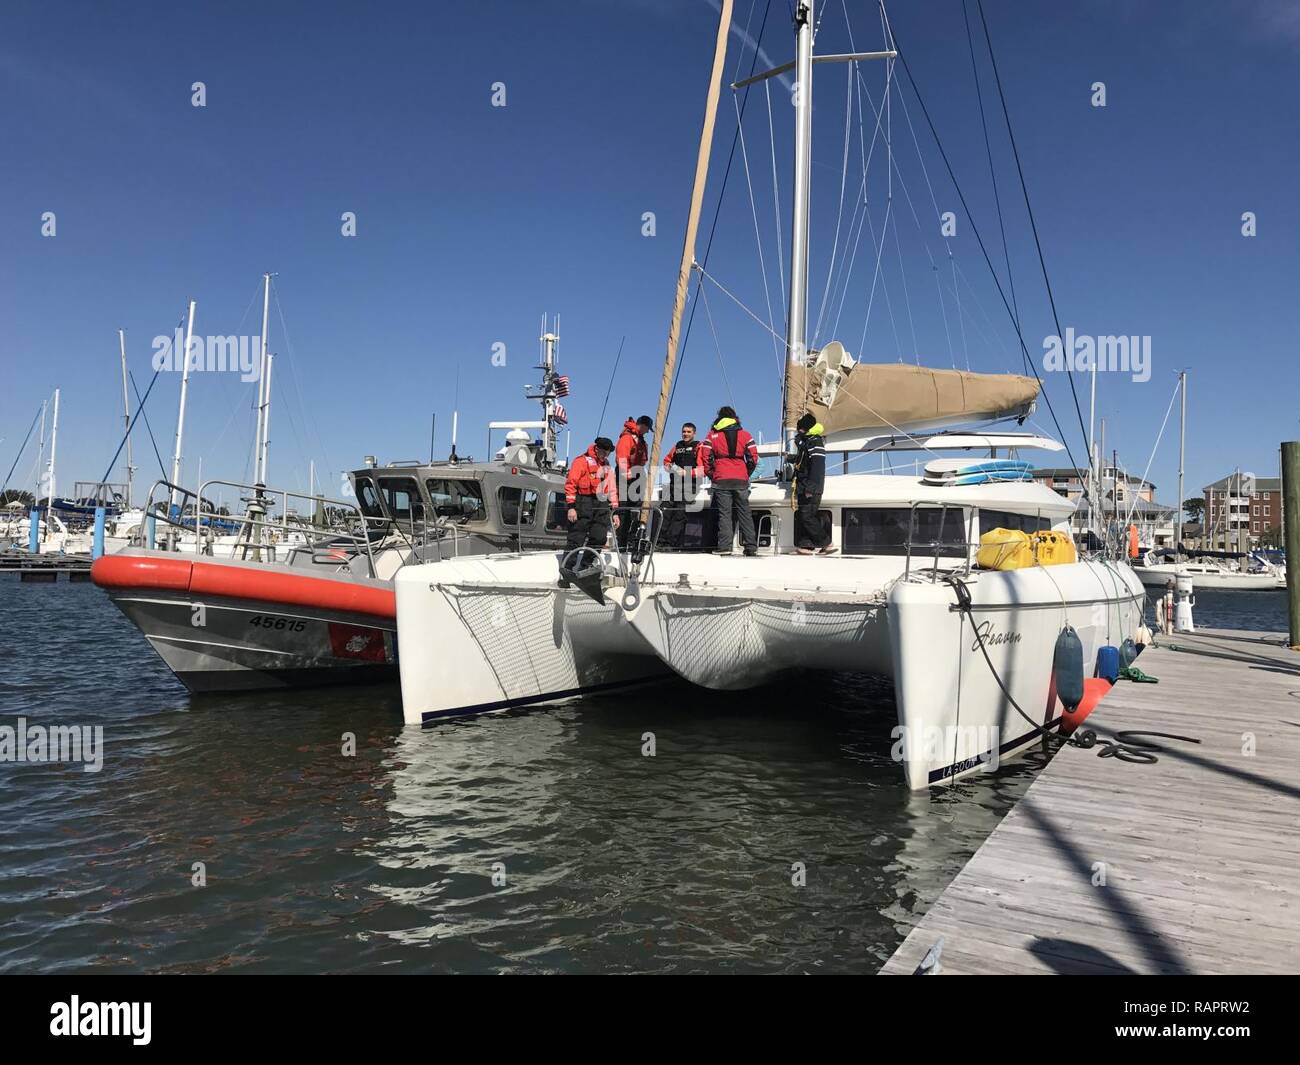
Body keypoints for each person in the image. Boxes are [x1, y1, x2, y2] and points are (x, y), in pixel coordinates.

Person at [701, 406, 758, 556]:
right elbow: (753, 458)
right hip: (741, 477)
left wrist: (712, 474)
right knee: (745, 513)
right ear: (734, 417)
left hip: (721, 478)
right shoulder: (746, 435)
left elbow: (705, 457)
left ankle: (725, 547)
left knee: (724, 514)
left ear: (719, 417)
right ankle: (751, 547)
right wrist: (746, 473)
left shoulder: (712, 436)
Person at [564, 436, 619, 554]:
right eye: (604, 452)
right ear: (597, 449)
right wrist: (571, 507)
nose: (606, 455)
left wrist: (615, 512)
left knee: (600, 537)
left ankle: (587, 565)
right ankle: (567, 568)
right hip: (583, 502)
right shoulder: (581, 461)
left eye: (608, 453)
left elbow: (612, 489)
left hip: (601, 504)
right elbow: (571, 484)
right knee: (576, 537)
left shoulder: (607, 467)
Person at [793, 412, 835, 555]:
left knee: (807, 516)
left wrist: (810, 487)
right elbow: (805, 462)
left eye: (800, 428)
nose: (798, 431)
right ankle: (806, 546)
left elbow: (817, 467)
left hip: (810, 487)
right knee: (804, 515)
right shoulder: (809, 441)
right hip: (805, 485)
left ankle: (827, 543)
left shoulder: (815, 442)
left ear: (804, 428)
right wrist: (792, 458)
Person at [661, 421, 706, 549]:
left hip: (689, 485)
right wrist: (669, 467)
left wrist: (685, 473)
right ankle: (659, 541)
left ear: (694, 433)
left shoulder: (699, 447)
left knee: (680, 514)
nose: (685, 434)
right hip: (673, 485)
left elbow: (702, 470)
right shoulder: (677, 446)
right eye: (684, 431)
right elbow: (666, 461)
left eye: (688, 432)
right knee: (665, 511)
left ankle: (671, 543)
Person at [614, 415, 653, 549]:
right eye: (647, 429)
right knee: (623, 509)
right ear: (643, 425)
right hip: (626, 475)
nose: (648, 432)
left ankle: (631, 539)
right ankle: (621, 544)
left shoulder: (640, 440)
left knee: (638, 507)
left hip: (636, 475)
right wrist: (626, 473)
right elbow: (622, 455)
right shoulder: (628, 437)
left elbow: (642, 460)